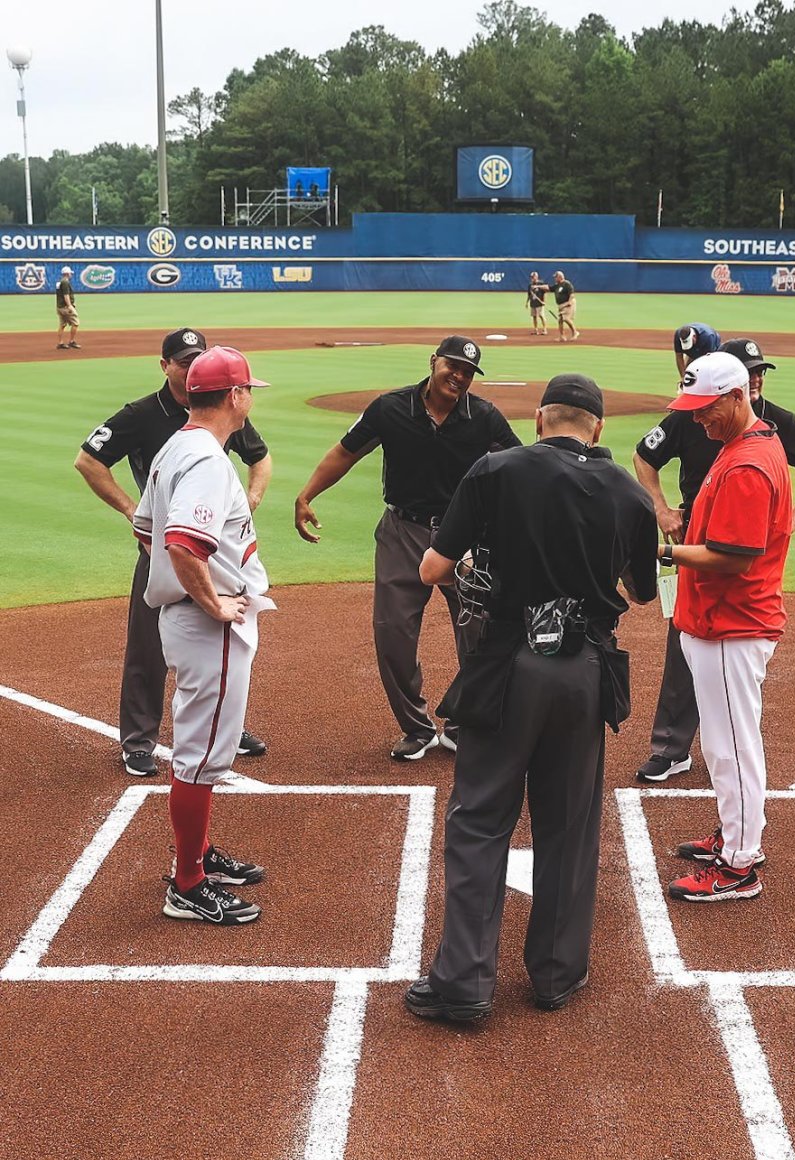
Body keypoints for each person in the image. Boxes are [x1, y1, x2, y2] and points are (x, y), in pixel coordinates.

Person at [404, 374, 659, 1021]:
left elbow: (432, 569)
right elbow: (642, 592)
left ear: (540, 418)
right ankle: (556, 975)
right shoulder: (629, 491)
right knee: (569, 826)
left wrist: (471, 565)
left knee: (480, 819)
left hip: (505, 666)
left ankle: (463, 984)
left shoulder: (495, 470)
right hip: (584, 671)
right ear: (596, 427)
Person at [295, 335, 522, 761]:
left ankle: (462, 722)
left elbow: (519, 465)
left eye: (468, 372)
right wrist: (306, 495)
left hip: (465, 538)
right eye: (452, 365)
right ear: (434, 361)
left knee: (479, 632)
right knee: (392, 633)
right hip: (403, 530)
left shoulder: (485, 417)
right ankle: (417, 727)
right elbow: (345, 453)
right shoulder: (391, 408)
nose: (458, 376)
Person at [633, 335, 795, 782]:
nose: (759, 377)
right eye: (752, 370)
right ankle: (673, 747)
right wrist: (662, 510)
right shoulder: (693, 415)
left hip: (738, 547)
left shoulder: (773, 426)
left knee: (731, 648)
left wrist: (792, 519)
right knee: (684, 638)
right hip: (694, 536)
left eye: (761, 370)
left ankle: (732, 750)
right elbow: (644, 456)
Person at [75, 328, 272, 778]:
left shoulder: (220, 408)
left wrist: (250, 498)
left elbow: (259, 457)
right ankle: (139, 739)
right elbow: (88, 459)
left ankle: (223, 721)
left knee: (220, 639)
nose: (190, 368)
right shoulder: (143, 415)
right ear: (165, 366)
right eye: (182, 361)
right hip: (165, 550)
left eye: (197, 359)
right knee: (148, 645)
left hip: (215, 551)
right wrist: (131, 510)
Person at [133, 346, 273, 925]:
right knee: (200, 753)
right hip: (207, 626)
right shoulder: (210, 461)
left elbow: (144, 528)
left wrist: (187, 589)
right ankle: (187, 883)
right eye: (249, 391)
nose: (250, 399)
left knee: (205, 746)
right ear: (235, 396)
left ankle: (198, 853)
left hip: (190, 619)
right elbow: (180, 543)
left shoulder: (176, 445)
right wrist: (211, 601)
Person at [654, 352, 793, 902]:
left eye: (706, 408)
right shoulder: (739, 446)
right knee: (722, 743)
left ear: (738, 396)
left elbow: (734, 555)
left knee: (732, 745)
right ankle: (736, 836)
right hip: (719, 621)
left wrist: (664, 551)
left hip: (733, 624)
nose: (697, 418)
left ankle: (738, 864)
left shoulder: (747, 466)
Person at [548, 271, 579, 342]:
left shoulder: (567, 284)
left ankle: (575, 332)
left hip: (568, 303)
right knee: (560, 320)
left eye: (556, 277)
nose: (555, 279)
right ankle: (562, 336)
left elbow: (572, 294)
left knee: (566, 318)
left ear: (560, 277)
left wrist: (569, 302)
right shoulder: (557, 285)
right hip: (561, 305)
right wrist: (538, 287)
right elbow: (549, 288)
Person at [56, 267, 81, 350]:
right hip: (65, 307)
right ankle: (71, 341)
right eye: (70, 273)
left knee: (62, 325)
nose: (71, 275)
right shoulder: (65, 282)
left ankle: (60, 343)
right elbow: (66, 295)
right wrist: (70, 306)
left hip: (59, 307)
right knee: (76, 323)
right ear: (67, 274)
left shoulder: (59, 282)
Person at [525, 271, 548, 335]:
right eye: (531, 277)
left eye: (533, 277)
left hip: (539, 303)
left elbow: (545, 293)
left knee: (541, 316)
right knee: (534, 316)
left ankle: (544, 329)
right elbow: (529, 295)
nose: (532, 278)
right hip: (533, 303)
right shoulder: (530, 285)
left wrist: (544, 301)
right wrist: (527, 302)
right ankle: (536, 330)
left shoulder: (541, 284)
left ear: (536, 277)